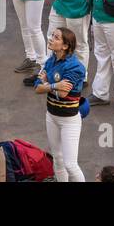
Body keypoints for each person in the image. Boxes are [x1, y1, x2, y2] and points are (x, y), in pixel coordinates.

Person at [34, 26, 86, 181]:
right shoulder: (50, 60)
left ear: (65, 46)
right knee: (57, 157)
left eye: (56, 37)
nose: (51, 38)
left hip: (69, 121)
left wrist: (47, 84)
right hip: (51, 116)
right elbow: (37, 87)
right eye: (52, 35)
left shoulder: (75, 67)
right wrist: (54, 85)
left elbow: (64, 93)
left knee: (70, 164)